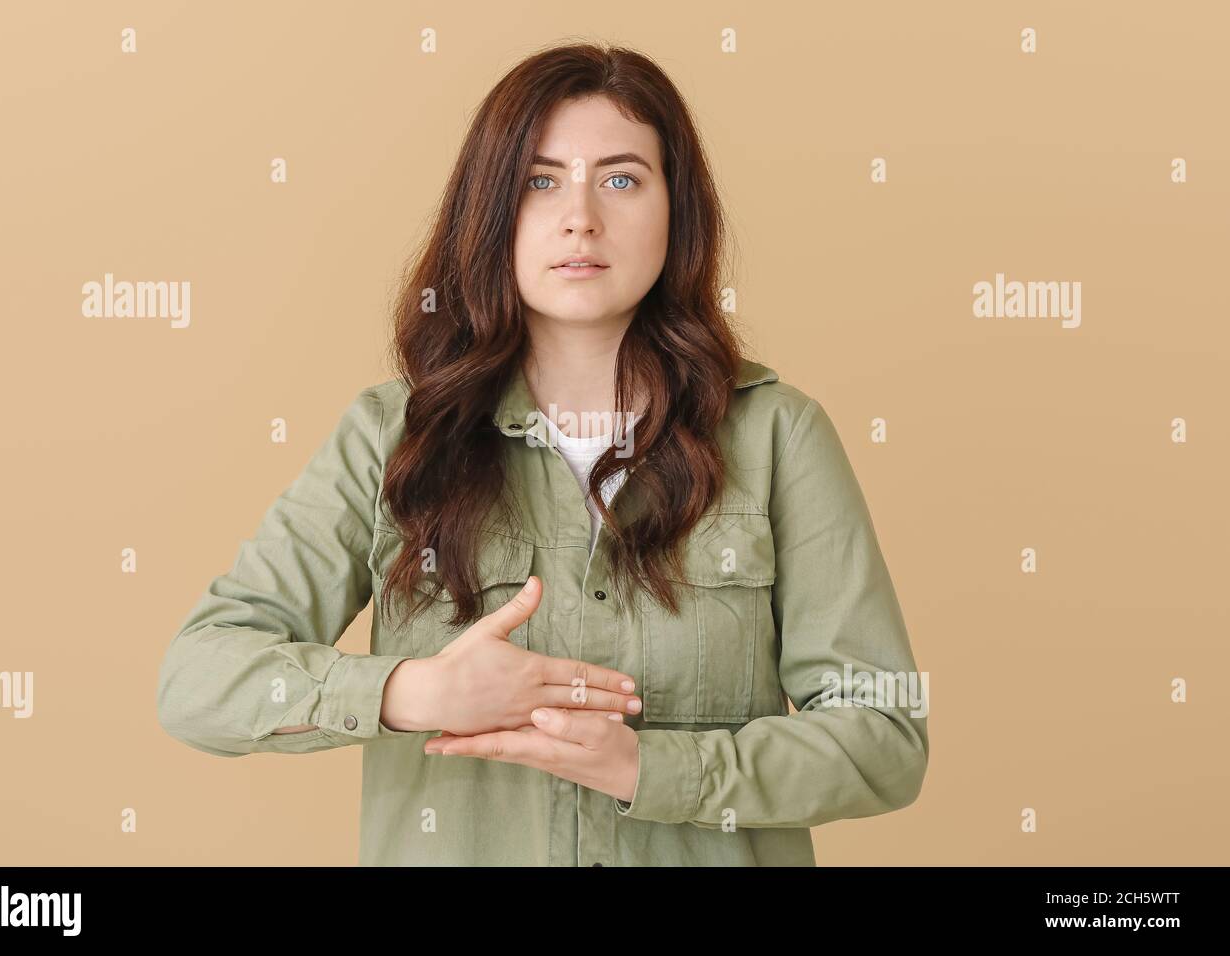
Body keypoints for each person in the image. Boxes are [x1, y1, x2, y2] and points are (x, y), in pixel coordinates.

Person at [155, 41, 928, 866]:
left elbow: (884, 733)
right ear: (491, 210)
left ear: (678, 210)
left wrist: (654, 769)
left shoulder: (779, 436)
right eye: (540, 179)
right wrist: (413, 692)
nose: (580, 217)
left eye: (623, 178)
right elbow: (197, 682)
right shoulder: (390, 436)